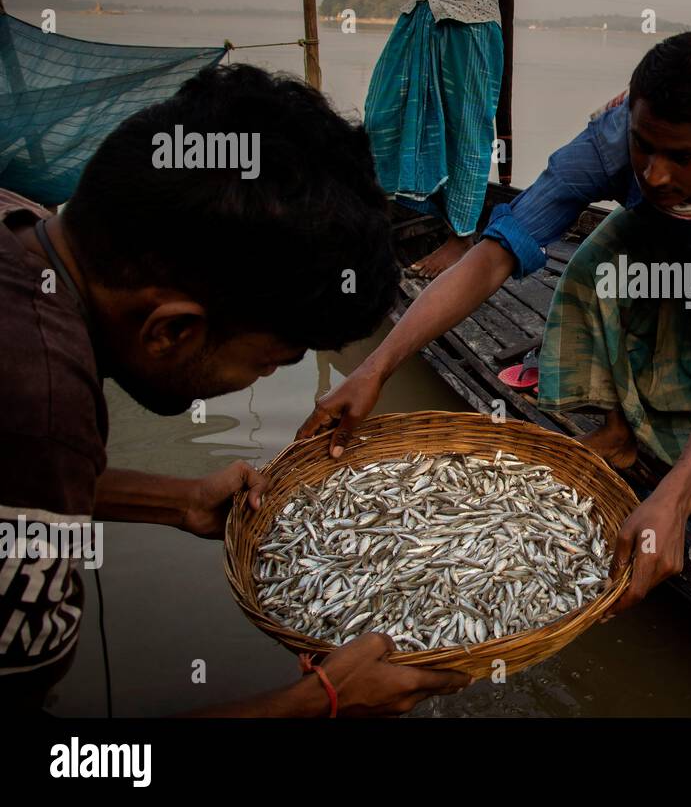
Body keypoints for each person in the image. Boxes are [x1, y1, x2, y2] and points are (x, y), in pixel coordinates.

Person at [298, 33, 691, 614]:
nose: (655, 173)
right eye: (645, 147)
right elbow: (495, 254)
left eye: (682, 156)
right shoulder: (614, 139)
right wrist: (376, 368)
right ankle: (620, 428)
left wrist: (675, 499)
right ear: (632, 118)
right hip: (673, 224)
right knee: (593, 269)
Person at [0, 64, 469, 715]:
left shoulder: (19, 221)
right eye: (272, 362)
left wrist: (179, 500)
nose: (269, 376)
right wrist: (320, 701)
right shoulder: (41, 410)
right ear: (172, 332)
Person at [296, 0, 580, 278]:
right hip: (426, 9)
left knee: (467, 126)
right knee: (384, 110)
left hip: (470, 17)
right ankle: (409, 201)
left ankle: (462, 237)